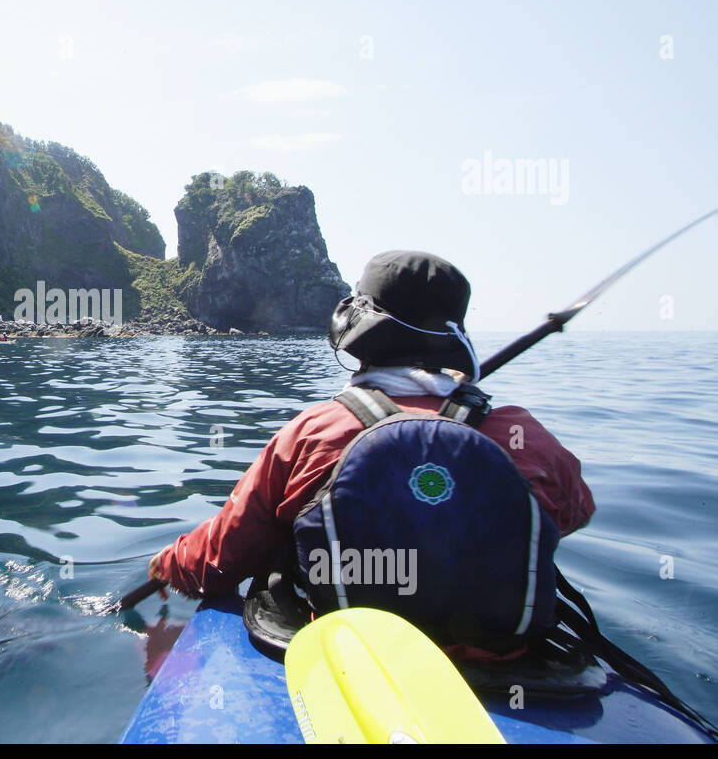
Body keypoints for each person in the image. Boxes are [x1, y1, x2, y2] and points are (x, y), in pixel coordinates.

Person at [147, 250, 595, 651]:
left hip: (355, 653)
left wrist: (168, 565)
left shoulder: (316, 431)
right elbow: (573, 514)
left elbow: (220, 559)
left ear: (358, 330)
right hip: (504, 658)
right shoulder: (522, 434)